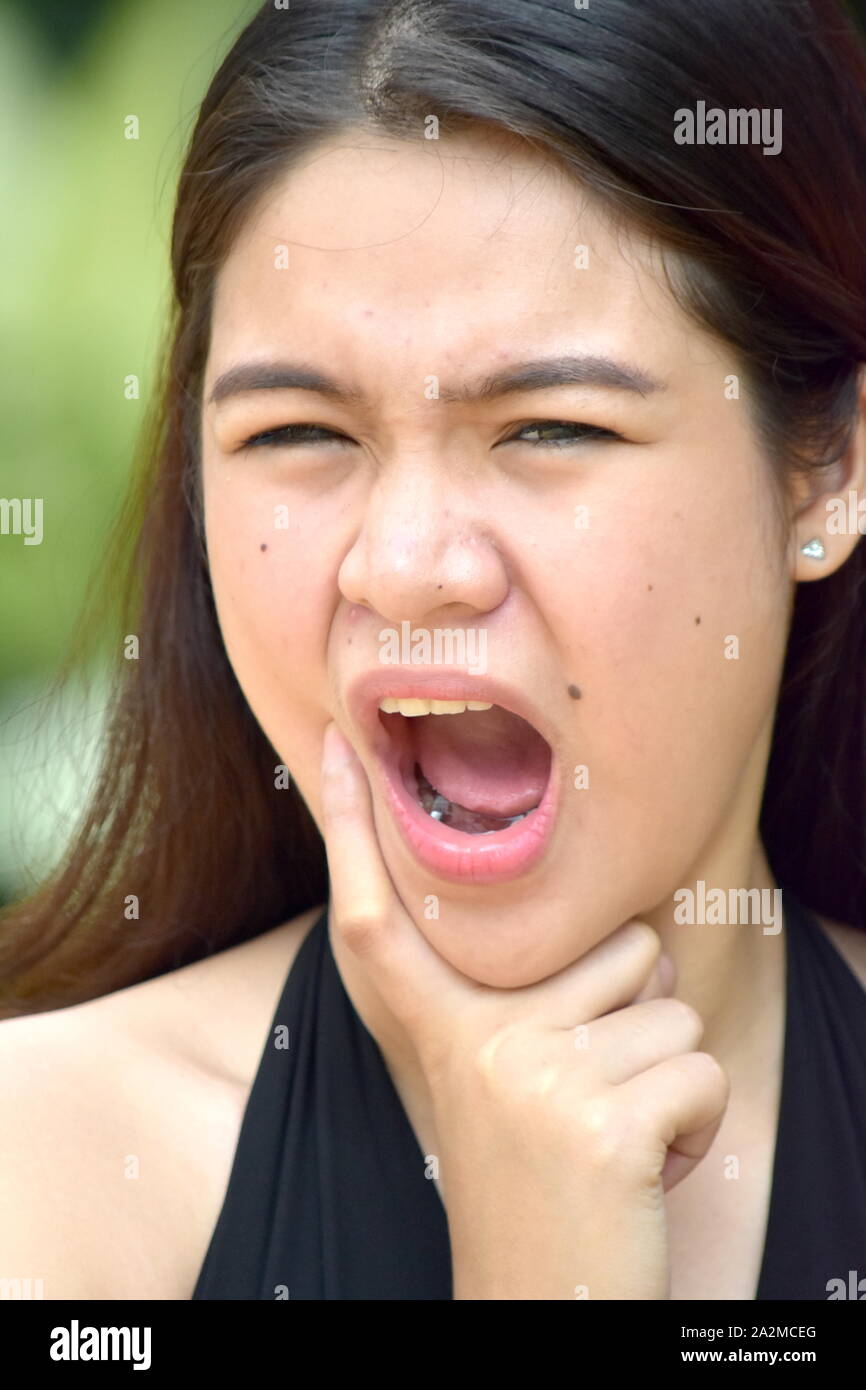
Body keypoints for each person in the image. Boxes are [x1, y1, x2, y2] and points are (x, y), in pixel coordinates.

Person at [1, 0, 865, 1301]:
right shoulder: (49, 1168)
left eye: (549, 428)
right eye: (301, 434)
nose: (402, 565)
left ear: (827, 470)